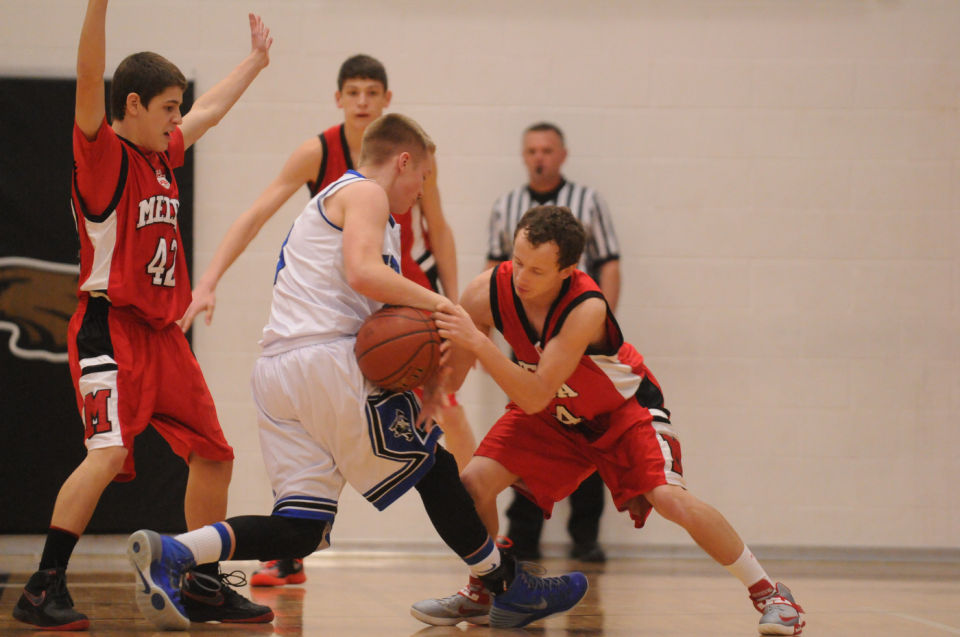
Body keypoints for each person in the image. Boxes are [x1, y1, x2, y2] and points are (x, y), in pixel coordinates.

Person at [125, 114, 589, 631]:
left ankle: (174, 552)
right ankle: (508, 585)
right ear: (403, 161)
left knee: (301, 530)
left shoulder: (344, 203)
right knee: (432, 464)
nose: (420, 193)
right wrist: (443, 307)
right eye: (423, 178)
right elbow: (363, 272)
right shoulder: (366, 191)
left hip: (278, 374)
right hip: (325, 361)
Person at [413, 206, 806, 635]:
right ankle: (485, 591)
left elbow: (534, 390)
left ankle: (773, 595)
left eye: (538, 271)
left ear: (568, 270)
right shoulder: (485, 292)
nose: (521, 277)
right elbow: (461, 371)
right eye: (519, 261)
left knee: (670, 499)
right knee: (470, 485)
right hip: (555, 416)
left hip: (622, 412)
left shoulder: (586, 308)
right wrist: (428, 389)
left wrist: (478, 341)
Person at [11, 0, 274, 630]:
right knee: (103, 456)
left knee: (215, 453)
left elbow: (208, 112)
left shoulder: (163, 155)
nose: (177, 119)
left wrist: (256, 64)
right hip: (111, 330)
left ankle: (203, 581)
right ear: (131, 105)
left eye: (178, 108)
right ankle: (43, 586)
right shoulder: (104, 158)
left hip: (163, 337)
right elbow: (87, 77)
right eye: (167, 108)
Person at [176, 54, 475, 587]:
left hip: (394, 298)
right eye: (353, 92)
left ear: (387, 101)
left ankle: (479, 537)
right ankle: (489, 565)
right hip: (342, 306)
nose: (362, 101)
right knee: (404, 442)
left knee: (443, 409)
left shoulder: (414, 158)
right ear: (339, 99)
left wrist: (448, 299)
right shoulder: (321, 153)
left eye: (372, 92)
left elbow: (439, 228)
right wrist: (209, 280)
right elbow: (257, 212)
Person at [487, 122, 621, 563]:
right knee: (530, 424)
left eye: (547, 150)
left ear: (562, 155)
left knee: (589, 430)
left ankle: (586, 537)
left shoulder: (588, 202)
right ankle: (522, 535)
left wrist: (596, 330)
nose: (539, 157)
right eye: (531, 150)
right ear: (523, 156)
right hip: (524, 335)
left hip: (576, 339)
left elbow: (609, 265)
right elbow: (493, 272)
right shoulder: (506, 206)